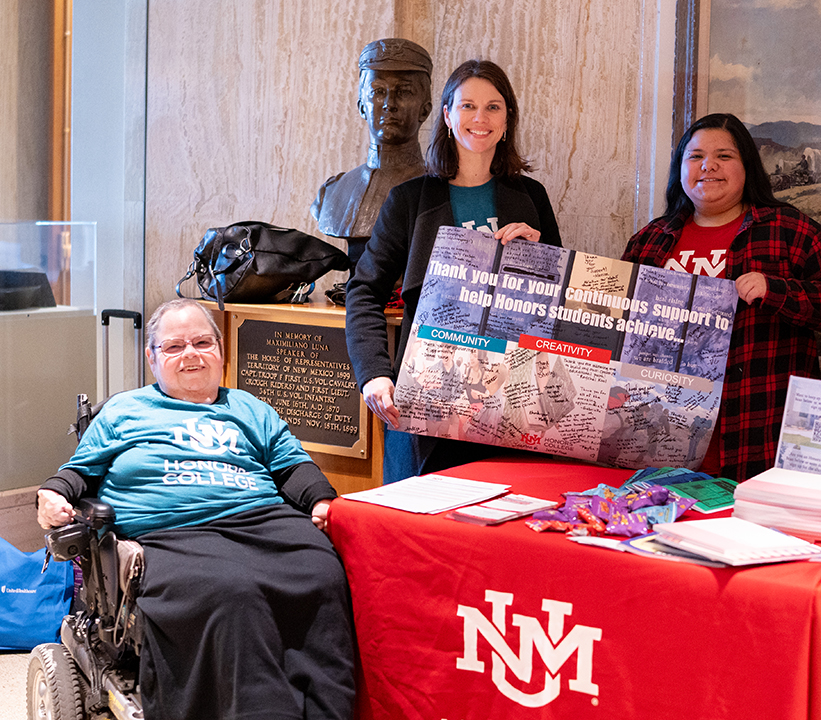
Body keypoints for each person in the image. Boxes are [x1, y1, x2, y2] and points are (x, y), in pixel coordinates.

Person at [35, 298, 354, 720]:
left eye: (202, 342)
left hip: (262, 521)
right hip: (174, 533)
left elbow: (293, 465)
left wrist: (321, 500)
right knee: (231, 592)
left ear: (220, 350)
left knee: (322, 572)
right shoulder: (124, 412)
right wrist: (53, 494)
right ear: (152, 357)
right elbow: (78, 473)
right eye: (174, 347)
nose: (191, 354)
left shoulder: (248, 408)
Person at [345, 59, 561, 484]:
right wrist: (373, 375)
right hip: (427, 396)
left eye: (493, 108)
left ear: (507, 119)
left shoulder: (531, 197)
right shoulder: (408, 200)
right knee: (419, 524)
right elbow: (364, 291)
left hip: (512, 398)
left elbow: (558, 305)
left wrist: (541, 259)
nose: (479, 119)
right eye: (467, 106)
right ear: (446, 114)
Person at [622, 113, 821, 481]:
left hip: (759, 439)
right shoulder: (651, 238)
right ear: (680, 168)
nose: (708, 166)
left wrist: (775, 290)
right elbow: (615, 324)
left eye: (724, 156)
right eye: (695, 156)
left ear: (747, 166)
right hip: (660, 442)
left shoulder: (789, 229)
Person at [312, 39, 433, 267]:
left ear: (425, 109)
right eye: (378, 91)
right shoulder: (333, 191)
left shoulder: (437, 192)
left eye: (404, 92)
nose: (389, 103)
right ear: (361, 106)